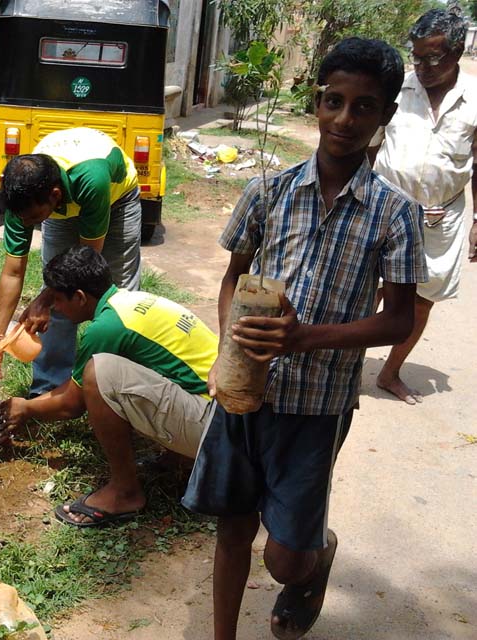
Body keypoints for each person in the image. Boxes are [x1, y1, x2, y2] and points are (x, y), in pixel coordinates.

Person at [182, 38, 427, 640]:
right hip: (246, 395)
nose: (345, 120)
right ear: (316, 103)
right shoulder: (267, 192)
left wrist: (305, 338)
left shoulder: (395, 214)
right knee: (233, 529)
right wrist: (226, 349)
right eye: (334, 102)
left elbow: (398, 319)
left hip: (317, 408)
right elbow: (234, 276)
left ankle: (313, 560)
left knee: (284, 559)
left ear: (386, 116)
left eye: (364, 107)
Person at [0, 245, 217, 527]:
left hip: (216, 430)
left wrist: (24, 408)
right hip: (226, 414)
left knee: (98, 375)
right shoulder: (132, 301)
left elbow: (71, 404)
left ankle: (124, 492)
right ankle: (180, 458)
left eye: (58, 300)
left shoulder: (107, 327)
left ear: (81, 297)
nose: (56, 308)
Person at [0, 127, 142, 396]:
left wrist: (42, 299)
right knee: (59, 300)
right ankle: (48, 389)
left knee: (119, 298)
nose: (29, 224)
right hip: (63, 207)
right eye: (23, 219)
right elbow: (13, 273)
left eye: (33, 218)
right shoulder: (25, 200)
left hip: (116, 199)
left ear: (54, 195)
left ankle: (119, 391)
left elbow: (86, 263)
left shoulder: (92, 179)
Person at [368, 7, 477, 405]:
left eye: (434, 57)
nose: (424, 66)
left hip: (441, 217)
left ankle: (390, 372)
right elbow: (370, 145)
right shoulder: (395, 89)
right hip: (384, 209)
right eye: (417, 56)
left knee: (420, 297)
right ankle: (340, 362)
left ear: (457, 51)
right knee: (365, 285)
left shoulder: (475, 101)